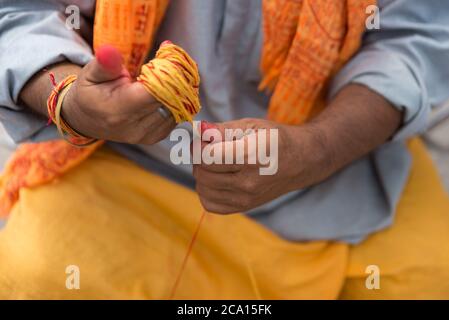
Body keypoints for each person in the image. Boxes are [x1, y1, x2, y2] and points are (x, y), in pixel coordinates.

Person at [0, 0, 449, 299]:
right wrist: (69, 100)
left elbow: (415, 37)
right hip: (124, 162)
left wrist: (320, 147)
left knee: (429, 281)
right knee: (39, 278)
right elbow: (18, 12)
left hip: (342, 168)